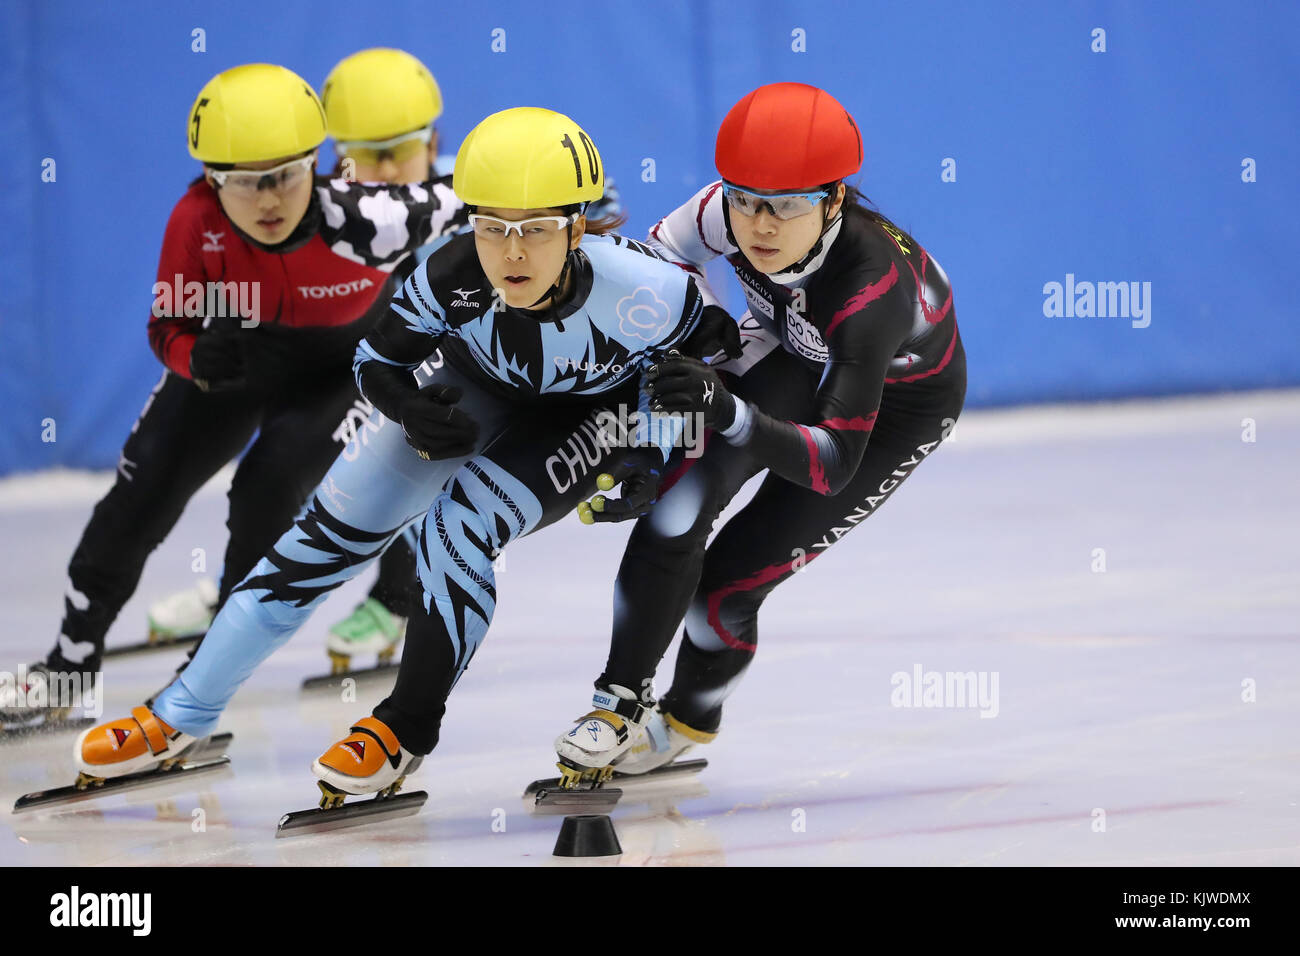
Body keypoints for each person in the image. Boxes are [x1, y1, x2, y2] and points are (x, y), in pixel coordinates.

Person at [72, 107, 712, 798]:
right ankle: (180, 713)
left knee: (457, 528)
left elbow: (708, 357)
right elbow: (376, 362)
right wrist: (407, 407)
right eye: (492, 227)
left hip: (589, 411)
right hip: (478, 388)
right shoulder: (449, 272)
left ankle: (403, 731)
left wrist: (653, 451)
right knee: (315, 542)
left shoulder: (650, 289)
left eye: (535, 230)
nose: (513, 252)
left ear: (579, 226)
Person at [0, 63, 466, 728]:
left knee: (266, 488)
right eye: (245, 183)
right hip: (240, 357)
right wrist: (194, 357)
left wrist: (581, 212)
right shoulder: (194, 222)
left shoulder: (366, 215)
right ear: (212, 181)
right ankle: (70, 663)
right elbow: (166, 329)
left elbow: (485, 201)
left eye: (285, 175)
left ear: (318, 163)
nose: (269, 200)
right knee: (145, 482)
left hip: (343, 369)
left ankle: (209, 667)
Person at [554, 82, 967, 779]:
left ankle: (686, 720)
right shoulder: (729, 210)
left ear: (834, 199)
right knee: (677, 508)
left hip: (892, 409)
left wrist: (727, 410)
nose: (760, 226)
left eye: (785, 207)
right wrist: (706, 328)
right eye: (745, 201)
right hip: (794, 348)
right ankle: (616, 702)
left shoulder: (871, 293)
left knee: (723, 592)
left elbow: (834, 463)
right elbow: (663, 255)